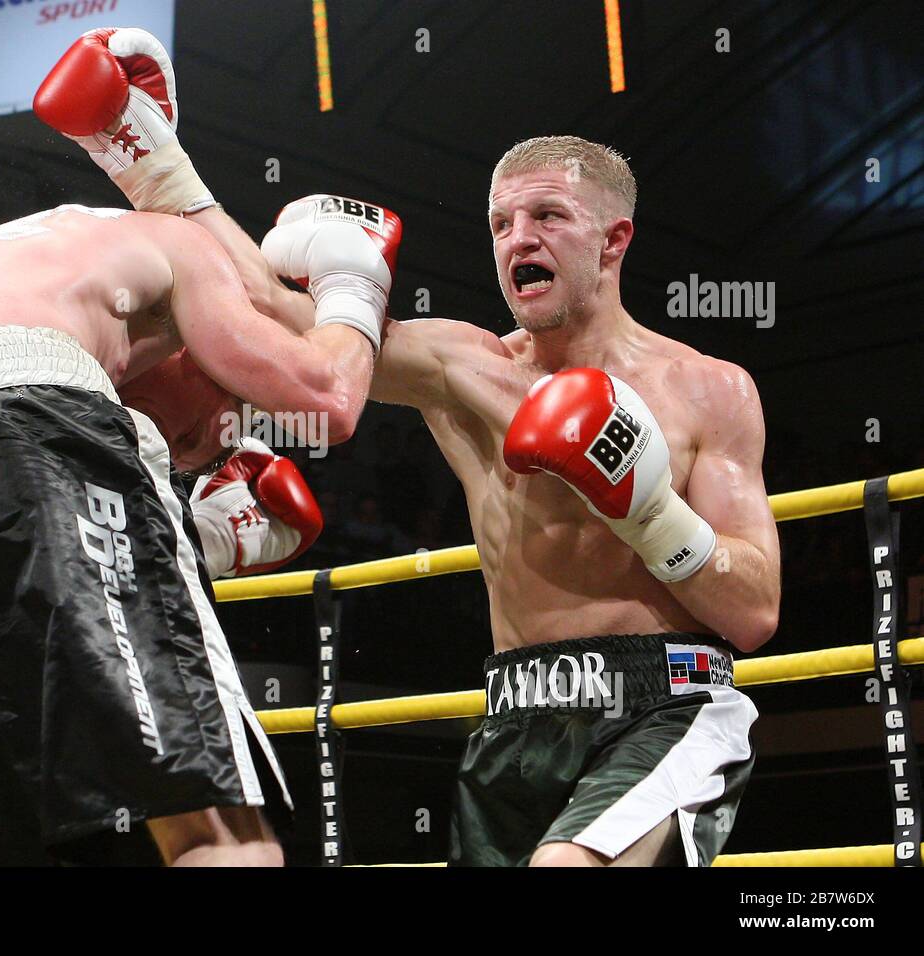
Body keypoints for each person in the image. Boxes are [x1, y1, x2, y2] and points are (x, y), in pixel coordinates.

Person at [58, 27, 781, 867]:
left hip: (667, 702)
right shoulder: (461, 367)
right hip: (515, 717)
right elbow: (265, 308)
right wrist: (150, 163)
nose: (519, 240)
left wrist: (651, 511)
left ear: (614, 241)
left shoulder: (709, 389)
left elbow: (756, 612)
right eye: (502, 222)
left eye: (548, 217)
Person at [0, 124, 402, 864]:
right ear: (203, 346)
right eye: (237, 417)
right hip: (24, 428)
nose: (212, 448)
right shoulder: (188, 254)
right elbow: (329, 399)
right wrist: (355, 285)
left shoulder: (12, 268)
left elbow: (9, 511)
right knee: (217, 825)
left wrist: (187, 531)